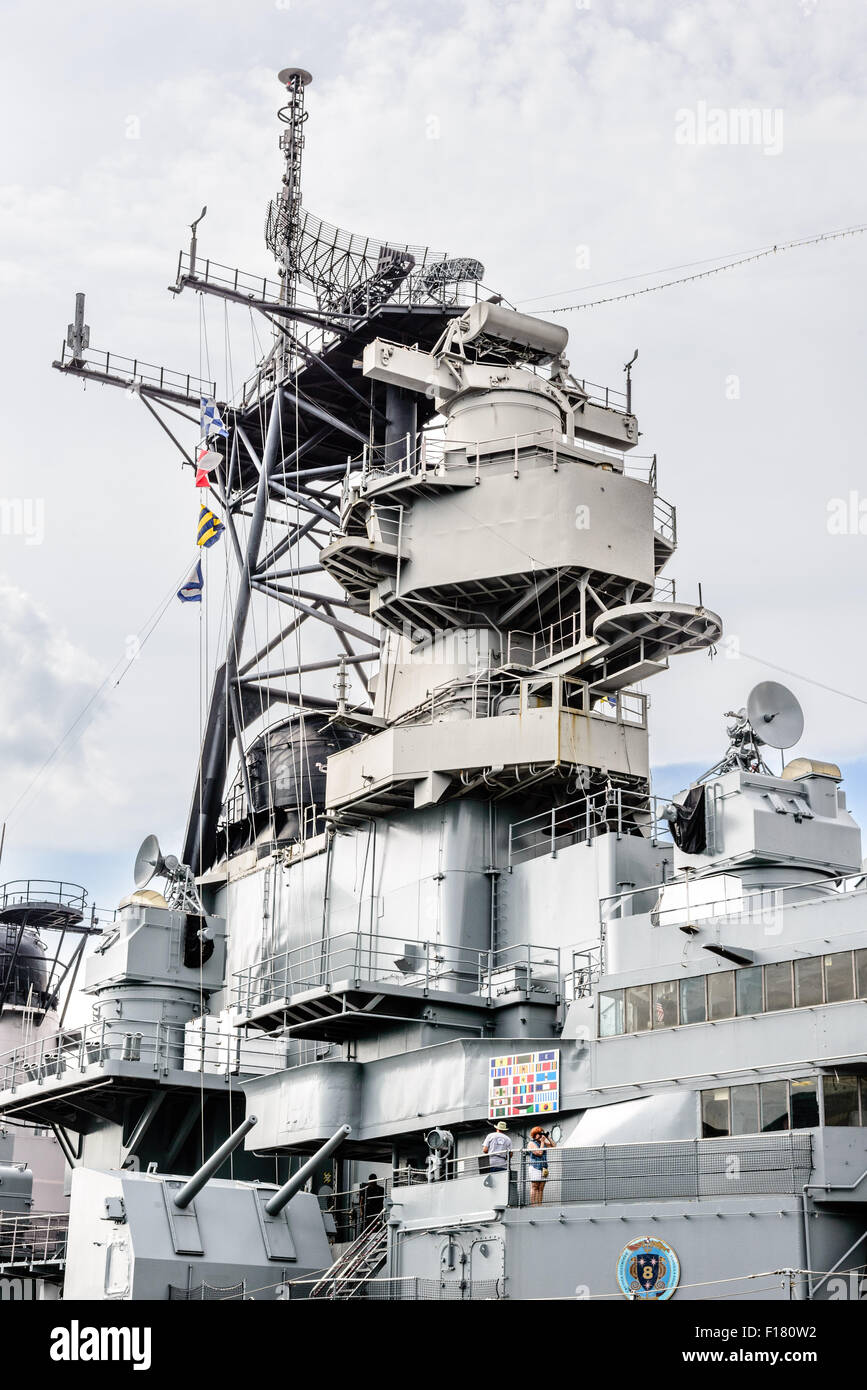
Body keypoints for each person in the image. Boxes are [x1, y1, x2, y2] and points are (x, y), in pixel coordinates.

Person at [526, 1125, 555, 1206]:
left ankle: (539, 1205)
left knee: (541, 1188)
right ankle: (533, 1205)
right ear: (535, 1135)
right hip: (535, 1167)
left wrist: (547, 1137)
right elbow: (539, 1153)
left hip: (544, 1167)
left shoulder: (543, 1143)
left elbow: (554, 1146)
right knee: (535, 1186)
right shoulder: (531, 1143)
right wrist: (542, 1142)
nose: (540, 1135)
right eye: (539, 1134)